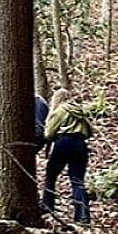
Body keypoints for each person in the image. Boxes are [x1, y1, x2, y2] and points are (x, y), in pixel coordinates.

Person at [42, 88, 94, 224]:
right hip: (80, 144)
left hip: (63, 142)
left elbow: (48, 133)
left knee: (51, 175)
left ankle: (48, 206)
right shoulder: (81, 112)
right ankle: (83, 215)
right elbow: (90, 131)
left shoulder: (60, 111)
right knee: (77, 180)